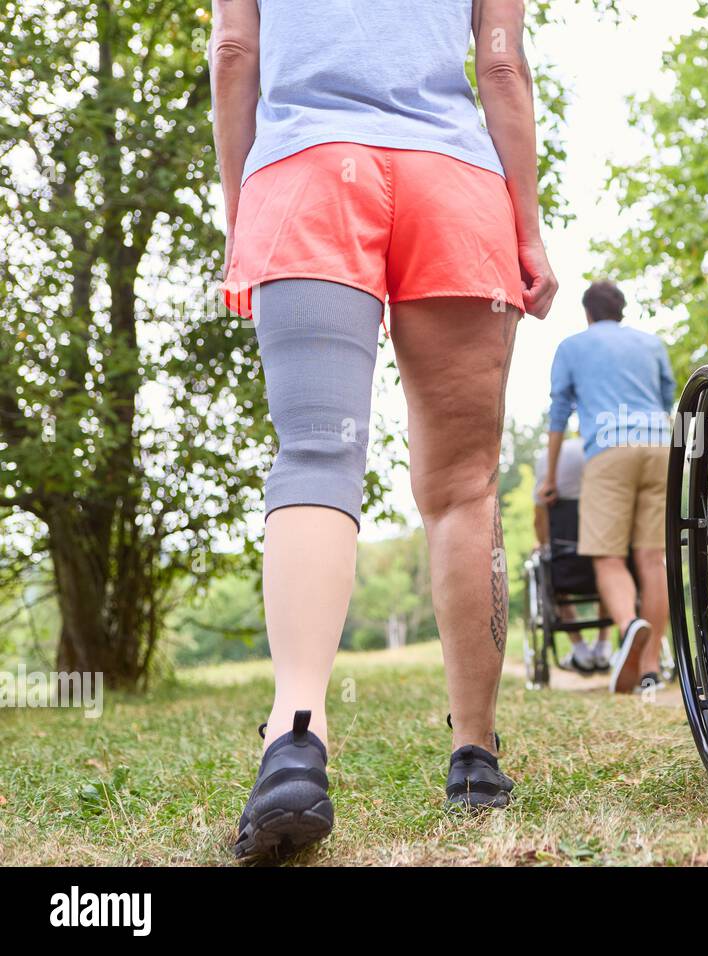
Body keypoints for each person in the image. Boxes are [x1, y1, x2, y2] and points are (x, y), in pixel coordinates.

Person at [210, 0, 558, 859]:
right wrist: (530, 229)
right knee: (464, 485)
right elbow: (503, 65)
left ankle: (294, 738)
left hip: (307, 175)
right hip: (455, 184)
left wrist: (241, 205)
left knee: (317, 455)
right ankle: (475, 756)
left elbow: (233, 52)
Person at [541, 281, 677, 694]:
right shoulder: (650, 344)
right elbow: (667, 395)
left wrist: (550, 478)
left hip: (610, 449)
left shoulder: (572, 346)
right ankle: (650, 665)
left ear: (588, 313)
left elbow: (559, 414)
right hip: (659, 447)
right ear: (622, 309)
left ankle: (628, 626)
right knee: (653, 559)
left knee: (607, 557)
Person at [532, 436, 613, 673]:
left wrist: (544, 545)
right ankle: (603, 645)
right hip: (606, 556)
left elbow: (540, 521)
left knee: (550, 570)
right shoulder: (606, 456)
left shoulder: (546, 463)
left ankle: (580, 651)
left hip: (566, 567)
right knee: (610, 564)